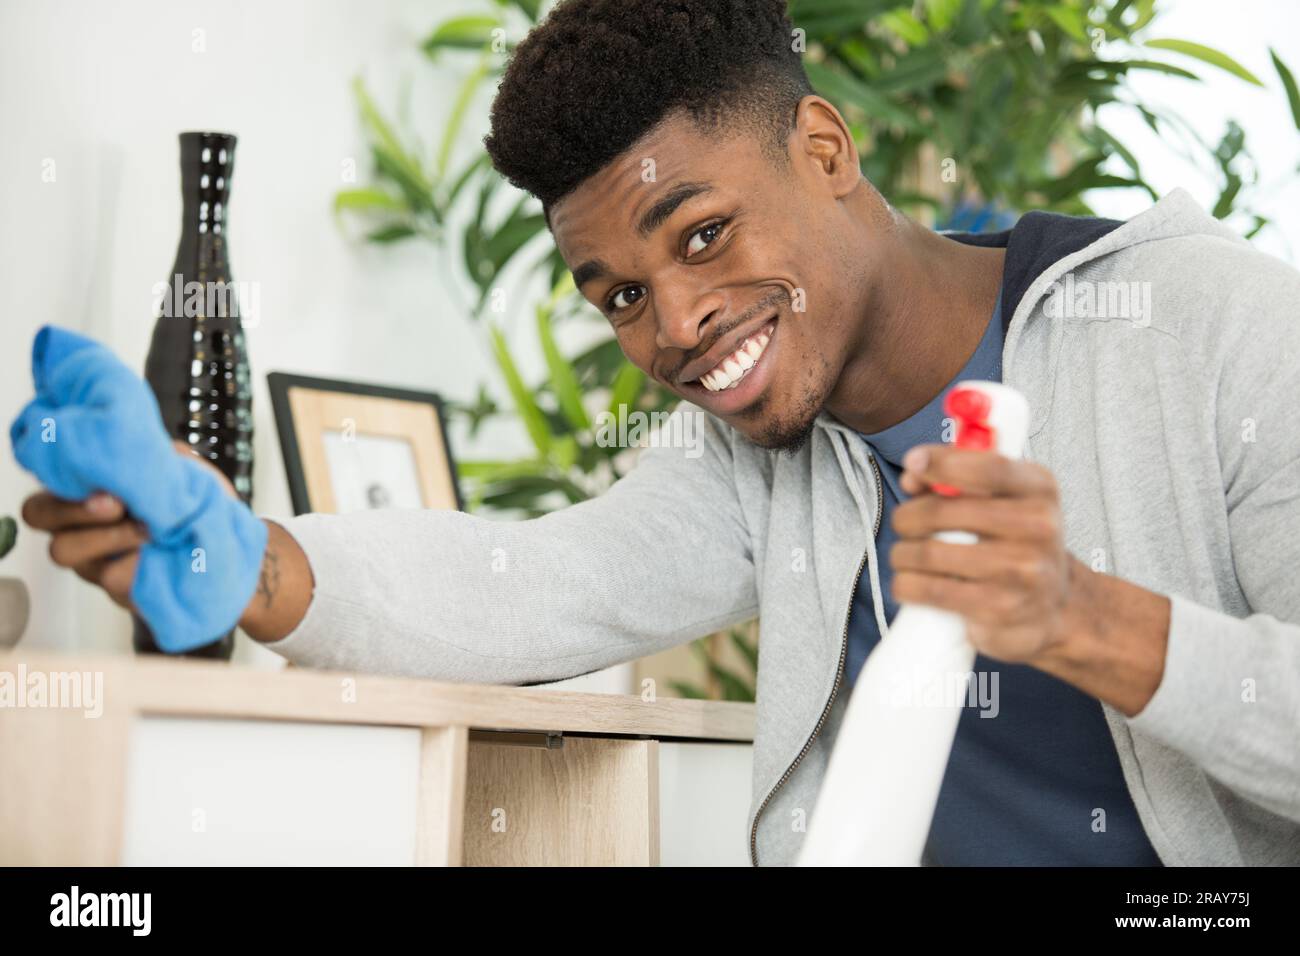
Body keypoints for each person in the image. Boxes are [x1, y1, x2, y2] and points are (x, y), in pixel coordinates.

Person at [19, 0, 1300, 866]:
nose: (678, 324)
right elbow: (544, 582)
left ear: (824, 148)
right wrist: (244, 557)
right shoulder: (757, 451)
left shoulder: (1215, 326)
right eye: (622, 296)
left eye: (704, 234)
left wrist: (1084, 617)